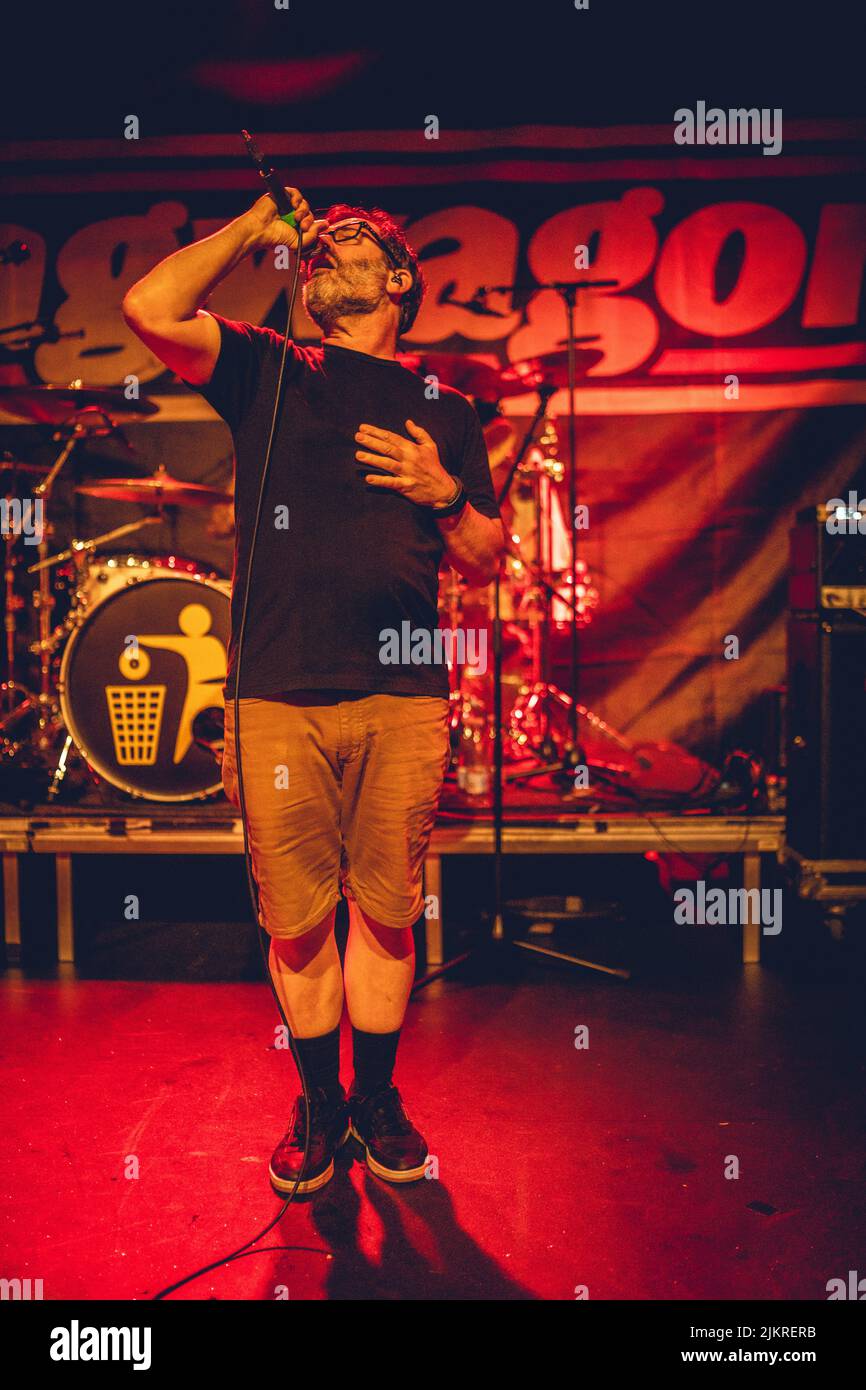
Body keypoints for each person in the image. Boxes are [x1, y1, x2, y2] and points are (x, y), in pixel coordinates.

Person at [122, 187, 505, 1192]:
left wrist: (447, 495)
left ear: (398, 280)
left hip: (402, 692)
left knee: (385, 913)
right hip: (277, 697)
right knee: (296, 922)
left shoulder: (445, 411)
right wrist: (252, 230)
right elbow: (150, 311)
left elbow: (489, 554)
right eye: (319, 239)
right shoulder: (269, 370)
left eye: (357, 239)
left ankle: (374, 1097)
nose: (329, 244)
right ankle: (321, 1106)